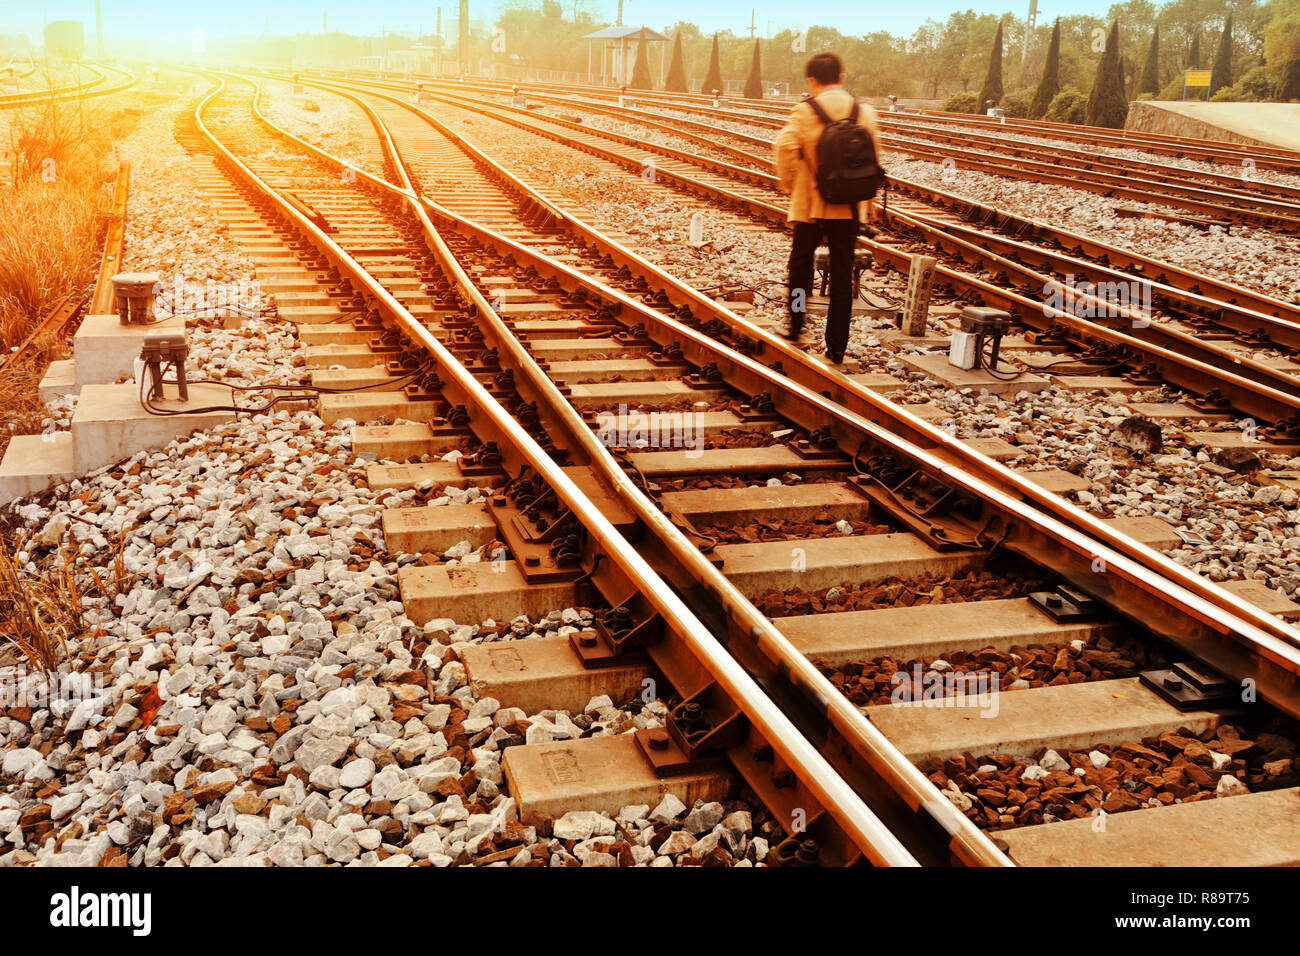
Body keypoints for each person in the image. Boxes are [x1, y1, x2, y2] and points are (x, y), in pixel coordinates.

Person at [774, 52, 881, 363]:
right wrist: (868, 204)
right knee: (842, 275)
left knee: (800, 268)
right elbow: (873, 161)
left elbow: (784, 147)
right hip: (847, 210)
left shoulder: (806, 111)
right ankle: (837, 346)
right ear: (841, 77)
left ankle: (796, 326)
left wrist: (792, 185)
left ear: (812, 80)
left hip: (810, 207)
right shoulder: (863, 112)